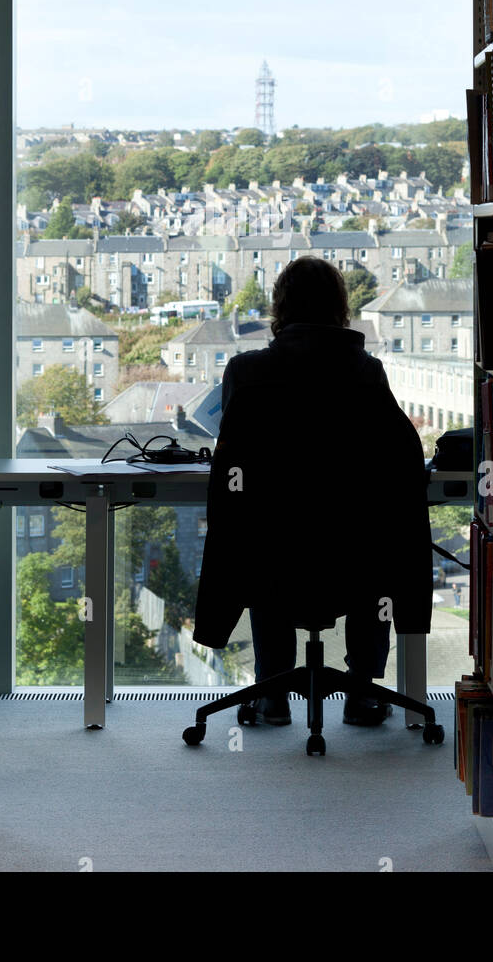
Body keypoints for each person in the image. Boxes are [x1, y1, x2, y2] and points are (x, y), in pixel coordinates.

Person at [193, 256, 432, 727]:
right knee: (375, 549)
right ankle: (363, 693)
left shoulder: (246, 371)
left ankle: (272, 695)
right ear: (339, 308)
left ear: (281, 306)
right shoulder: (366, 372)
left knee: (264, 541)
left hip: (275, 557)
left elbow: (234, 464)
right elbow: (399, 463)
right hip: (354, 558)